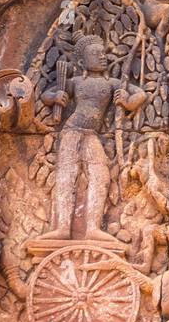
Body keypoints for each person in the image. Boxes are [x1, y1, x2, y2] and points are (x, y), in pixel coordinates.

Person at [42, 35, 147, 242]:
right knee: (66, 176)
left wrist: (127, 102)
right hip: (71, 130)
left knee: (101, 175)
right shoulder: (76, 82)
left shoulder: (112, 83)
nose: (102, 57)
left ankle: (93, 227)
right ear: (81, 62)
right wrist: (55, 97)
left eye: (103, 53)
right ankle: (62, 228)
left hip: (91, 135)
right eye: (95, 54)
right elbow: (48, 94)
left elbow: (140, 94)